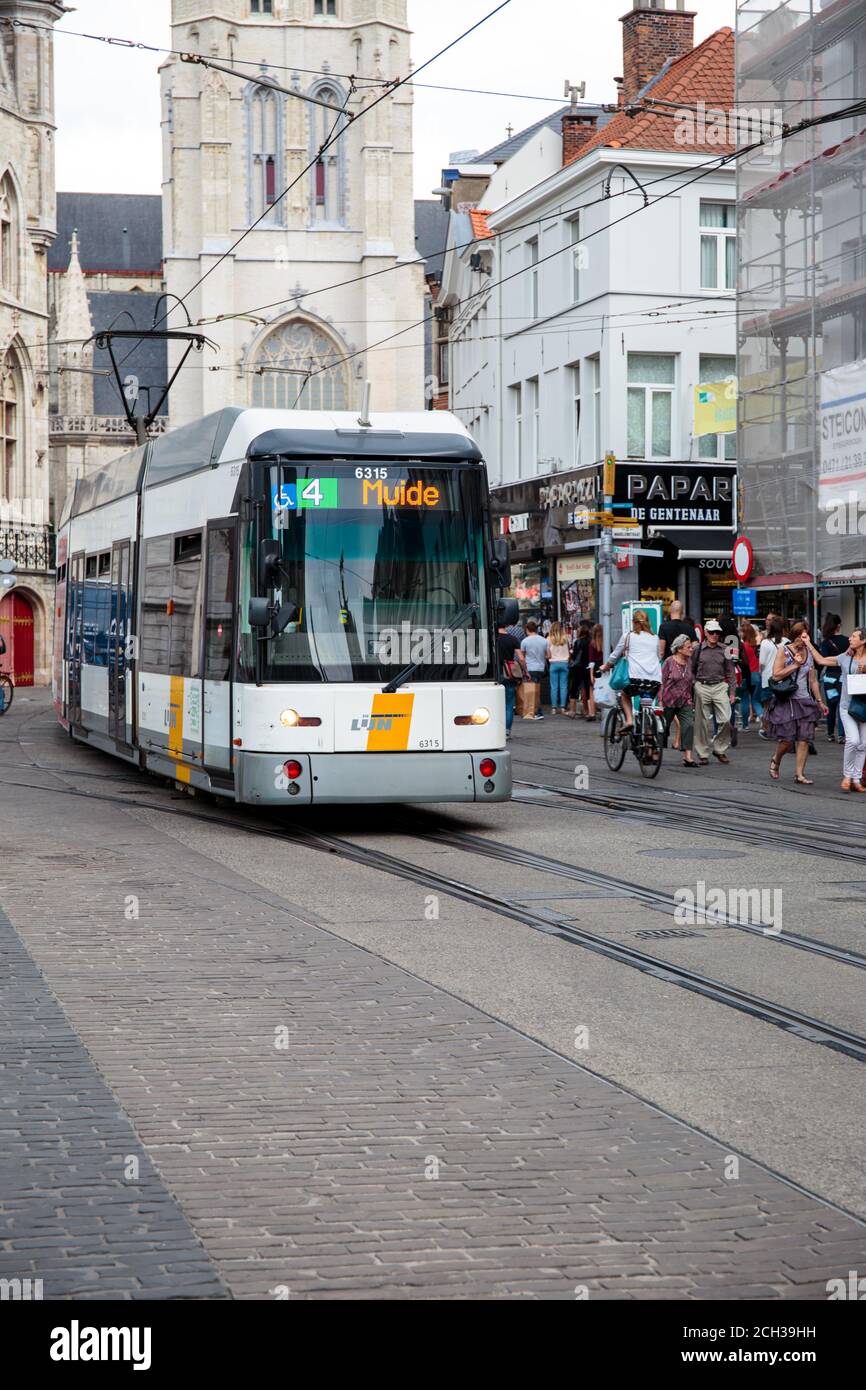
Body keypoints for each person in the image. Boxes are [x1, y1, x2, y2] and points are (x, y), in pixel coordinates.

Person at [804, 627, 866, 792]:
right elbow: (822, 660)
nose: (849, 639)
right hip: (847, 706)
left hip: (865, 707)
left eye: (853, 636)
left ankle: (856, 779)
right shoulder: (845, 658)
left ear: (863, 640)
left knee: (863, 744)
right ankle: (847, 775)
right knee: (853, 740)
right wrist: (808, 643)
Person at [766, 621, 827, 785]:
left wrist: (820, 701)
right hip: (786, 700)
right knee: (787, 739)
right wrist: (795, 665)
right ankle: (776, 759)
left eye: (806, 637)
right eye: (800, 637)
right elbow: (776, 675)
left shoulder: (809, 652)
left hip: (804, 700)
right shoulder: (783, 650)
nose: (803, 640)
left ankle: (799, 774)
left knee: (804, 739)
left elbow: (813, 680)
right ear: (794, 636)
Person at [598, 610, 662, 731]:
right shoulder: (655, 638)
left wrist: (606, 666)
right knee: (646, 704)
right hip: (654, 680)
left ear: (633, 622)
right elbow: (659, 657)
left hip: (635, 679)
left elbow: (614, 656)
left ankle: (629, 720)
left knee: (624, 694)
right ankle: (649, 736)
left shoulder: (628, 636)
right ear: (648, 622)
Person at [691, 618, 737, 764]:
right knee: (701, 722)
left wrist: (732, 693)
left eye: (717, 632)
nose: (714, 635)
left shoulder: (725, 649)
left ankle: (719, 749)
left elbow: (731, 672)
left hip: (719, 685)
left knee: (726, 719)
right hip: (702, 685)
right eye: (711, 632)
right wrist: (694, 685)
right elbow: (691, 669)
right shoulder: (697, 649)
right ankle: (703, 753)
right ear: (705, 633)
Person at [661, 634, 696, 766]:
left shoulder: (690, 662)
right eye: (688, 647)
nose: (691, 649)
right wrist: (660, 699)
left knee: (689, 725)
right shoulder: (669, 662)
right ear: (679, 649)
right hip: (668, 700)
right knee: (663, 726)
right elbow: (662, 682)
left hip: (685, 700)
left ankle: (687, 756)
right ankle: (656, 752)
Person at [758, 616, 788, 740]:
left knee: (767, 706)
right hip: (783, 678)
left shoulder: (765, 642)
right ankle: (782, 730)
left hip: (768, 679)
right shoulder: (787, 641)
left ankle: (768, 730)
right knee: (782, 706)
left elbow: (762, 662)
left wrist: (761, 673)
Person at [819, 613, 848, 742]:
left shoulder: (825, 642)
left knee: (831, 706)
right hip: (843, 677)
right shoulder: (847, 641)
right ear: (838, 626)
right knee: (843, 706)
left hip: (830, 678)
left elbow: (822, 659)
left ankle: (830, 734)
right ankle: (842, 734)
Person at [497, 617, 526, 739]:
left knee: (496, 703)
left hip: (495, 673)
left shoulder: (492, 638)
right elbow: (521, 658)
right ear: (506, 626)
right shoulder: (512, 639)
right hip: (509, 672)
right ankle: (507, 731)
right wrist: (525, 671)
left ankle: (495, 730)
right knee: (509, 703)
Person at [520, 620, 548, 720]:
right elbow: (548, 655)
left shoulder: (525, 641)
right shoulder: (544, 640)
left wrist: (524, 669)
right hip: (540, 668)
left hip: (530, 667)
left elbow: (522, 657)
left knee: (531, 691)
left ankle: (536, 712)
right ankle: (536, 711)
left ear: (527, 629)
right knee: (537, 691)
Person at [737, 621, 762, 730]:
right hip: (756, 674)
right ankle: (762, 717)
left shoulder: (743, 646)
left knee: (744, 700)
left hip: (746, 674)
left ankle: (745, 725)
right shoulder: (756, 645)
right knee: (755, 700)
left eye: (741, 632)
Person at [566, 622, 593, 719]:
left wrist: (571, 654)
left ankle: (572, 711)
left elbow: (574, 656)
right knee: (587, 689)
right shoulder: (591, 642)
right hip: (588, 668)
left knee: (574, 688)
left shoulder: (578, 642)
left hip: (578, 668)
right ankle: (588, 711)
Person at [546, 622, 570, 714]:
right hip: (564, 663)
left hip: (553, 663)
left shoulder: (548, 639)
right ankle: (563, 707)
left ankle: (554, 708)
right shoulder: (566, 638)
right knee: (563, 686)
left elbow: (547, 652)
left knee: (554, 687)